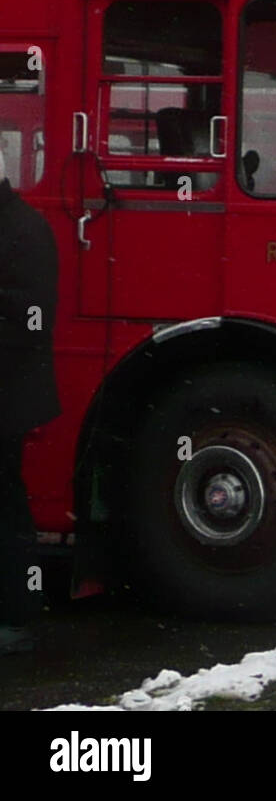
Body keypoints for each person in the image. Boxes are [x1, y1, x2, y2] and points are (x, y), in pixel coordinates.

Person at [0, 148, 60, 655]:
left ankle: (16, 613)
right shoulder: (26, 227)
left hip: (7, 394)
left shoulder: (17, 232)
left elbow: (27, 321)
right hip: (14, 394)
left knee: (6, 509)